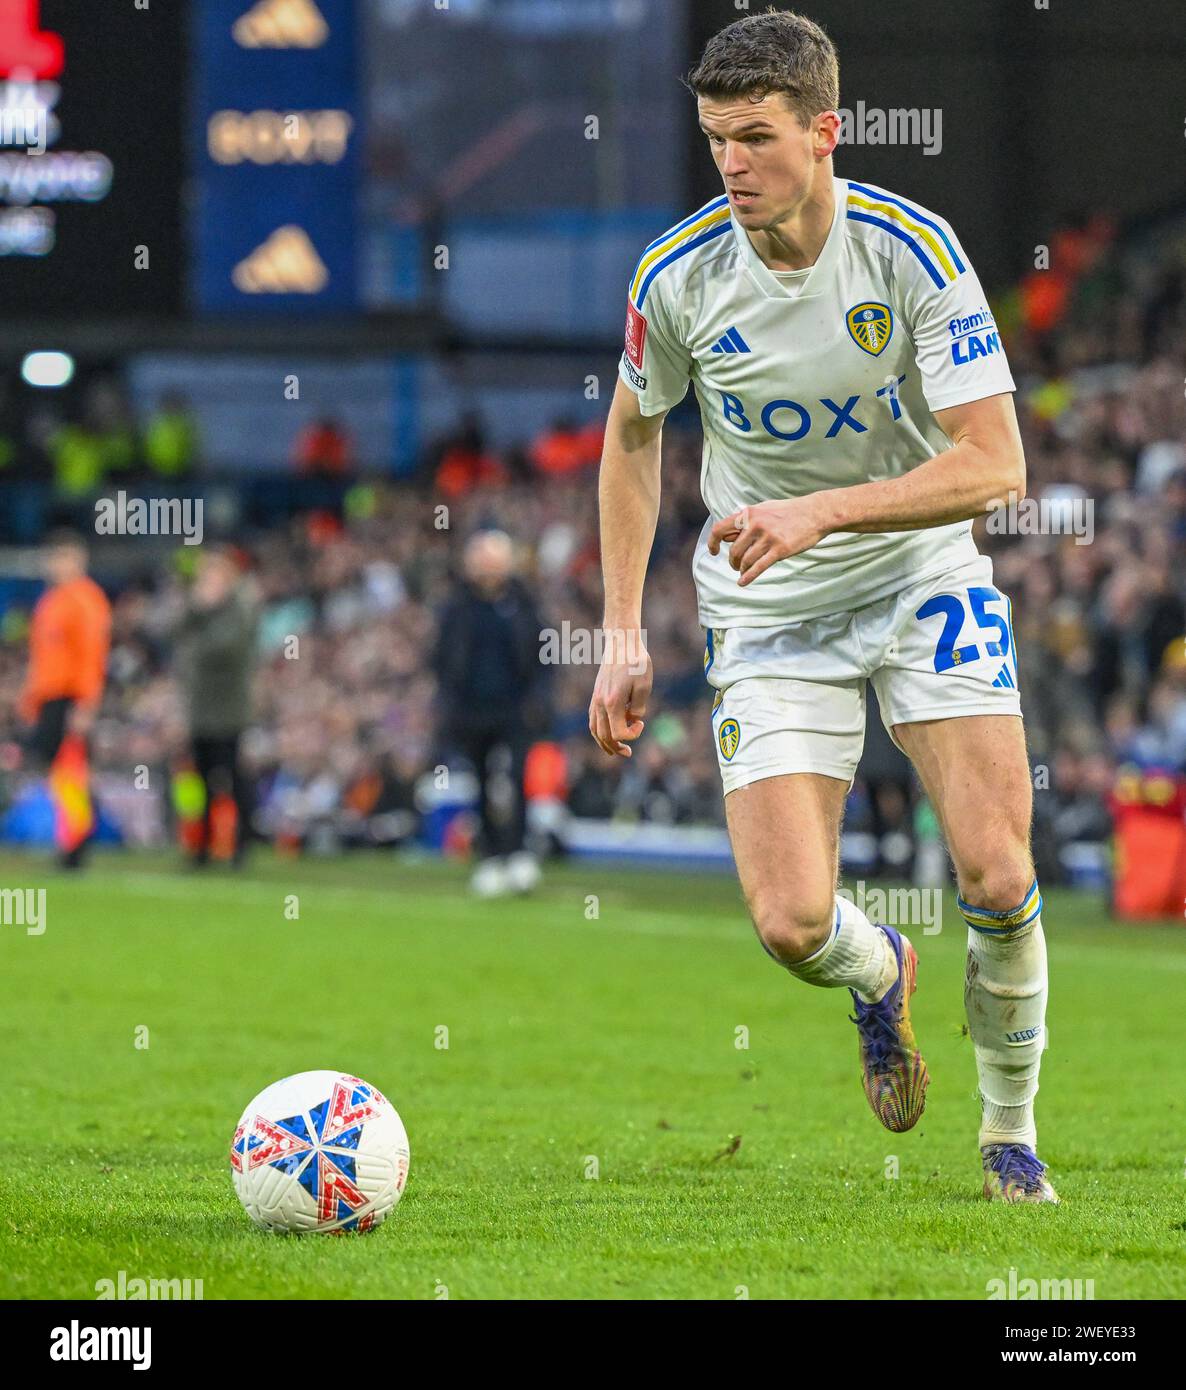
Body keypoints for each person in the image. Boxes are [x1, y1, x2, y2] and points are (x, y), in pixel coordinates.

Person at [589, 10, 1055, 1203]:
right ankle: (880, 967)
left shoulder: (911, 252)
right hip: (768, 606)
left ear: (826, 132)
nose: (731, 163)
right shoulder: (676, 276)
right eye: (715, 139)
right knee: (792, 922)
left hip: (918, 574)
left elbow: (997, 464)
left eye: (754, 137)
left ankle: (1009, 1136)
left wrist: (824, 511)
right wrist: (621, 629)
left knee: (996, 871)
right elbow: (632, 436)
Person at [434, 530, 546, 897]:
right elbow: (442, 659)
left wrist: (537, 699)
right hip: (471, 711)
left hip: (514, 708)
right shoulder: (457, 608)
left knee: (516, 778)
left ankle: (519, 852)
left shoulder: (522, 605)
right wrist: (449, 702)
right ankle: (491, 856)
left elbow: (541, 656)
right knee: (480, 781)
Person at [19, 530, 111, 868]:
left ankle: (76, 843)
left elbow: (92, 654)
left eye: (64, 558)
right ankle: (69, 838)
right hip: (51, 697)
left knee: (71, 770)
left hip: (70, 697)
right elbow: (41, 658)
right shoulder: (51, 601)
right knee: (61, 772)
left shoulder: (85, 600)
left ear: (79, 560)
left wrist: (86, 703)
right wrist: (32, 701)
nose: (58, 565)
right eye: (54, 558)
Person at [176, 547, 258, 866]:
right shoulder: (200, 609)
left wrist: (203, 618)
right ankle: (202, 844)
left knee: (233, 776)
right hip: (201, 708)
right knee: (200, 778)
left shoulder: (241, 607)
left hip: (229, 709)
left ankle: (241, 844)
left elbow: (224, 649)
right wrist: (196, 609)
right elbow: (172, 631)